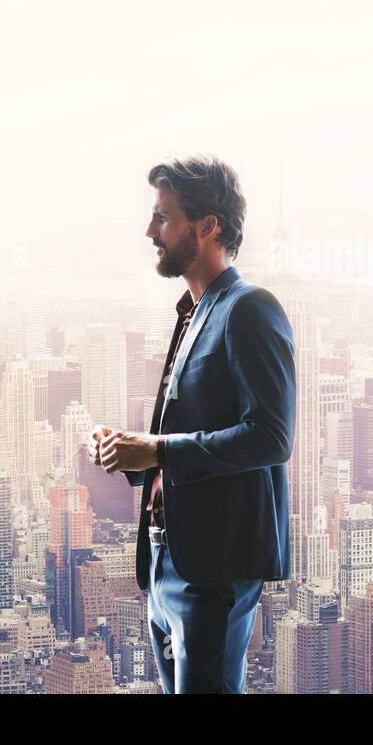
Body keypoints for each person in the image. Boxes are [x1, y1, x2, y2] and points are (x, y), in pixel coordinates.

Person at [93, 155, 296, 694]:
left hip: (212, 569)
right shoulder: (193, 312)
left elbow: (272, 436)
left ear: (208, 227)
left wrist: (158, 450)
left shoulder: (250, 308)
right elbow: (190, 429)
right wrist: (129, 452)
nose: (150, 231)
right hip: (167, 559)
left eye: (163, 218)